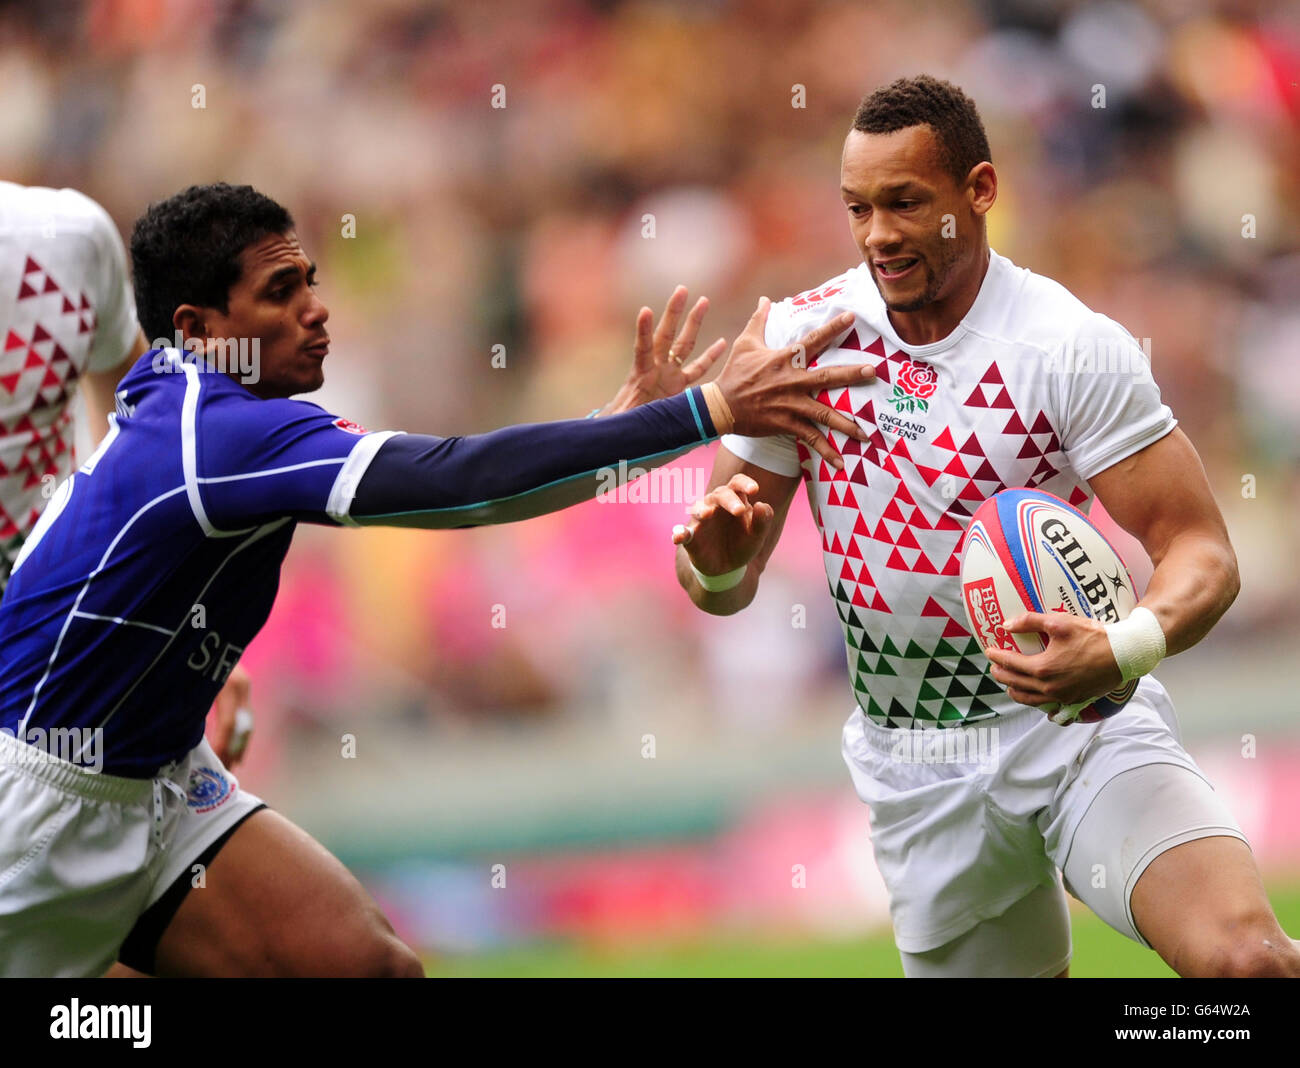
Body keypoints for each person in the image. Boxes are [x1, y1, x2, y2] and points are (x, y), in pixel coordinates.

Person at [0, 181, 873, 978]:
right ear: (196, 329)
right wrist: (705, 411)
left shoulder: (219, 412)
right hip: (38, 807)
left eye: (308, 278)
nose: (316, 309)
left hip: (156, 775)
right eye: (280, 294)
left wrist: (629, 426)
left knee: (370, 968)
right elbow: (463, 484)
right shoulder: (217, 435)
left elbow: (476, 483)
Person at [674, 75, 1300, 978]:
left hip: (1080, 724)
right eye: (858, 208)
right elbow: (722, 589)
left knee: (1248, 965)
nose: (878, 233)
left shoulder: (1067, 346)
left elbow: (1202, 552)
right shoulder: (802, 344)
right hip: (919, 760)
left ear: (981, 190)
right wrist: (715, 565)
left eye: (904, 203)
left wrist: (1121, 648)